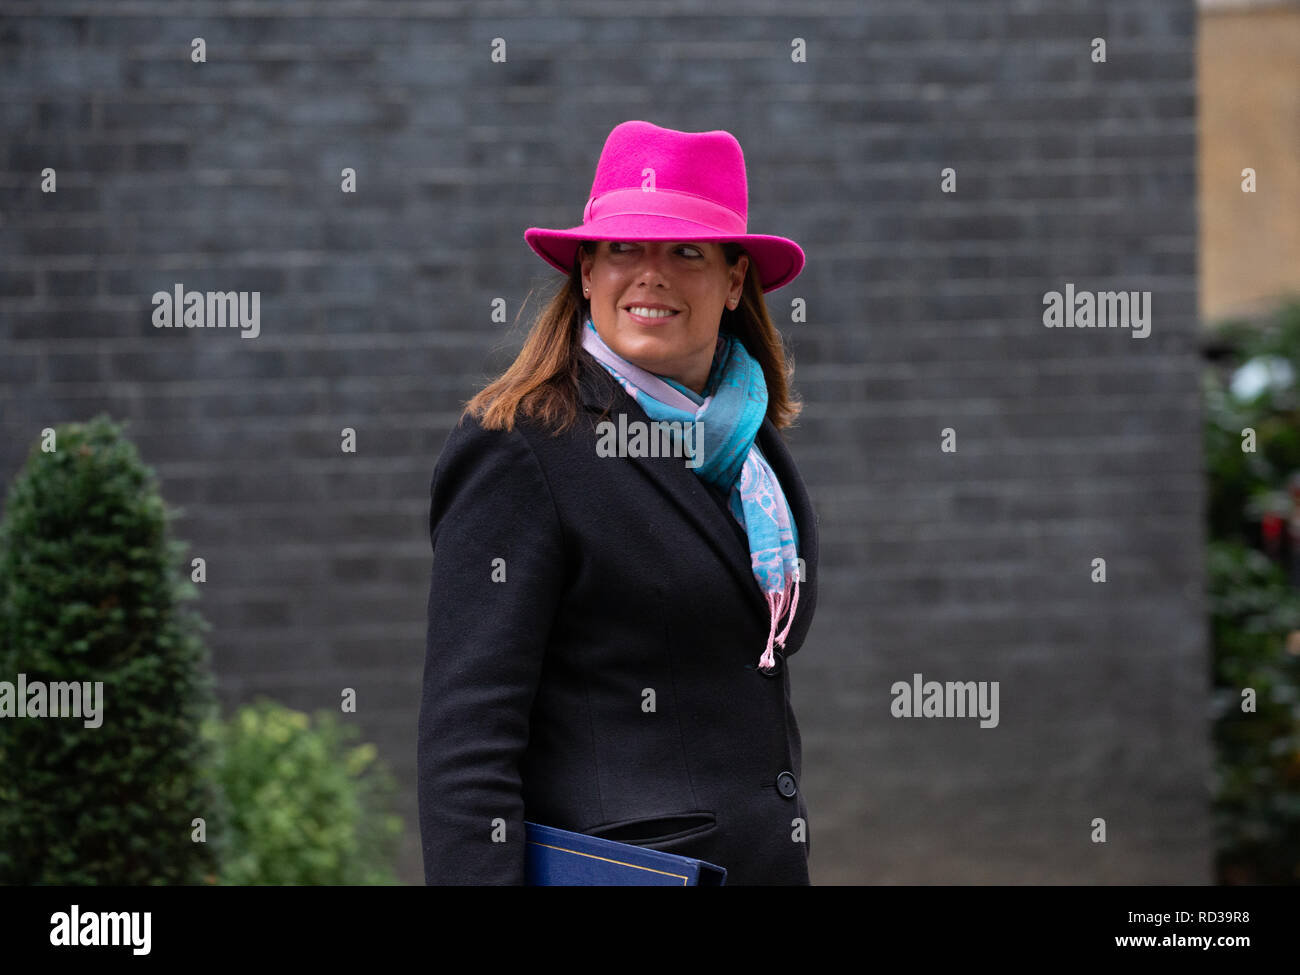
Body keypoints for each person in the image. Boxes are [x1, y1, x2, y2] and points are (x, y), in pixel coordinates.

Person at [418, 120, 819, 885]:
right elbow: (467, 742)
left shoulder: (752, 452)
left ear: (735, 281)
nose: (651, 275)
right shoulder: (521, 447)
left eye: (687, 253)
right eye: (624, 249)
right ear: (588, 272)